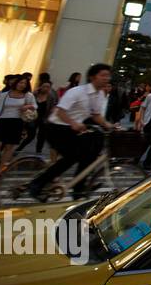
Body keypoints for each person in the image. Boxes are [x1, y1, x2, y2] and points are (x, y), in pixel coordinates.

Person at [26, 63, 114, 201]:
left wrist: (110, 126)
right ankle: (37, 183)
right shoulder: (77, 91)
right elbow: (60, 111)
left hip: (73, 129)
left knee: (92, 151)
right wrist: (73, 123)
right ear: (92, 77)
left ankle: (79, 187)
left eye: (108, 76)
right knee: (72, 156)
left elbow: (96, 115)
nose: (106, 78)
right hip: (56, 127)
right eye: (103, 75)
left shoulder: (100, 95)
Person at [0, 75, 36, 177]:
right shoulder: (4, 95)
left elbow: (34, 106)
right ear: (16, 83)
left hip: (17, 122)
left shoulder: (28, 95)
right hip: (1, 121)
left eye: (24, 83)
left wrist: (28, 106)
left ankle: (0, 169)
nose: (22, 85)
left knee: (9, 147)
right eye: (20, 83)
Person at [20, 77, 55, 157]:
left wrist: (49, 118)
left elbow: (52, 108)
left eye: (48, 87)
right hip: (33, 117)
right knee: (31, 135)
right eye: (44, 86)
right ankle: (19, 148)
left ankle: (38, 152)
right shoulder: (34, 95)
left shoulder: (51, 97)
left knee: (41, 136)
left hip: (44, 119)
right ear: (40, 86)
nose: (46, 88)